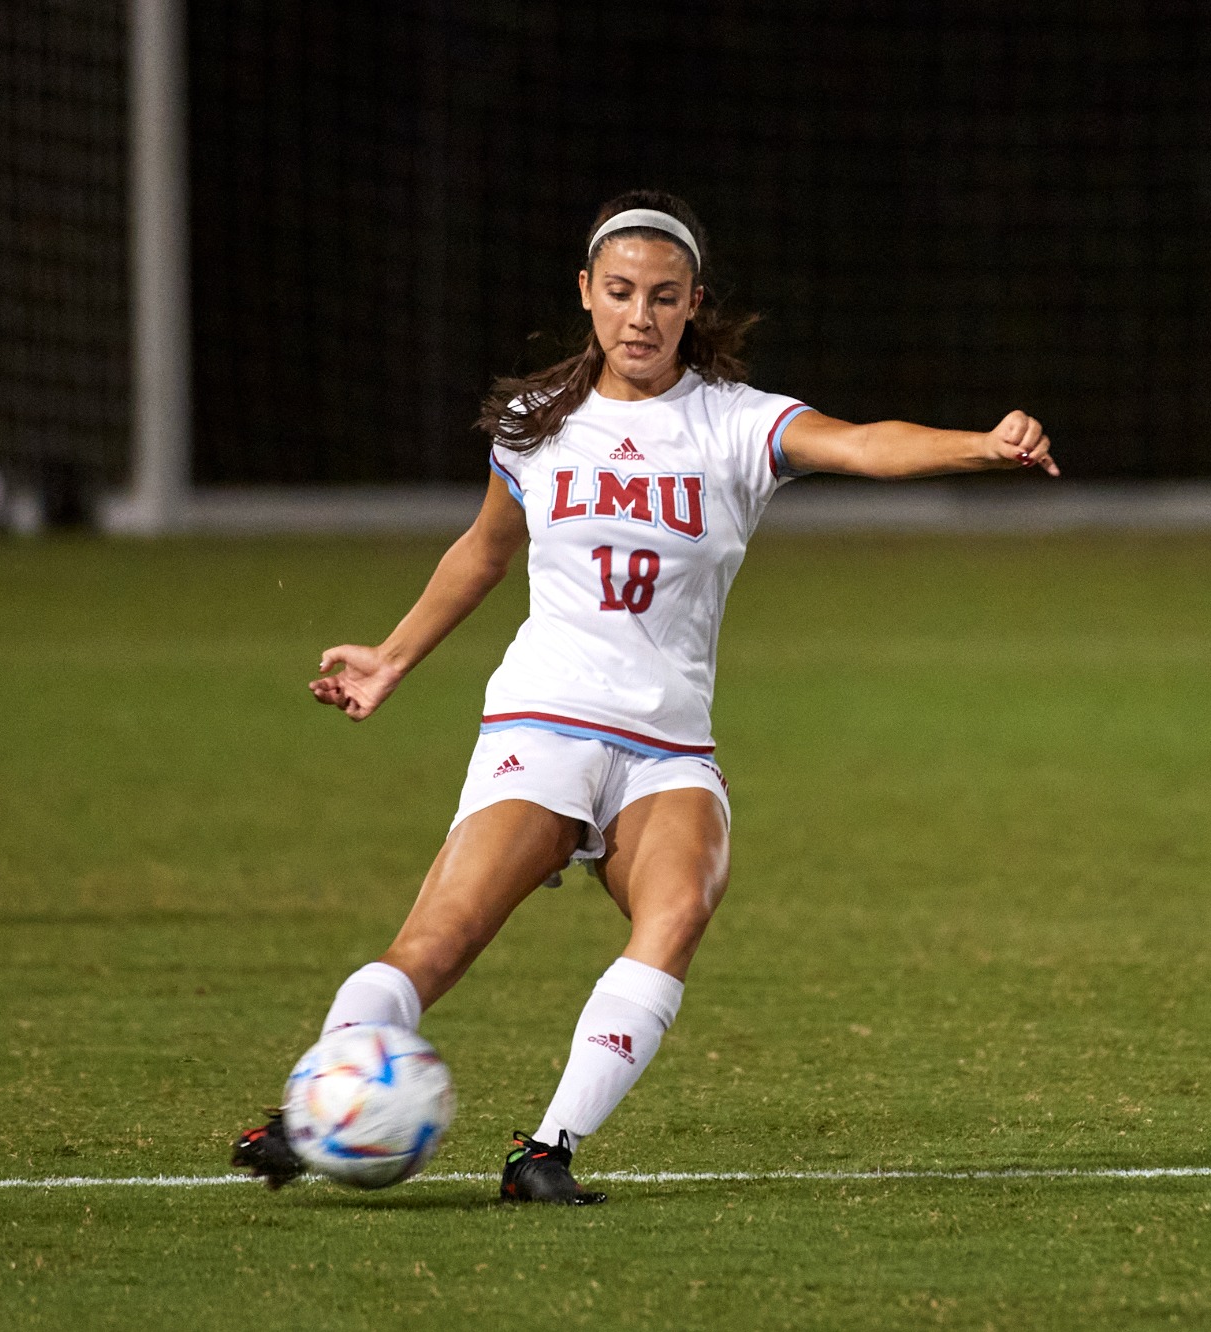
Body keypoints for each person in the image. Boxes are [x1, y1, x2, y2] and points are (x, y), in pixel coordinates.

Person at [232, 189, 1057, 1204]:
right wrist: (394, 658)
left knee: (677, 912)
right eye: (620, 292)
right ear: (585, 292)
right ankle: (315, 1111)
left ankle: (545, 1153)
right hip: (544, 723)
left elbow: (859, 442)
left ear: (692, 305)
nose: (639, 316)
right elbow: (484, 551)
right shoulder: (537, 424)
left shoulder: (732, 424)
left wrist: (980, 444)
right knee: (436, 944)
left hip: (668, 745)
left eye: (663, 297)